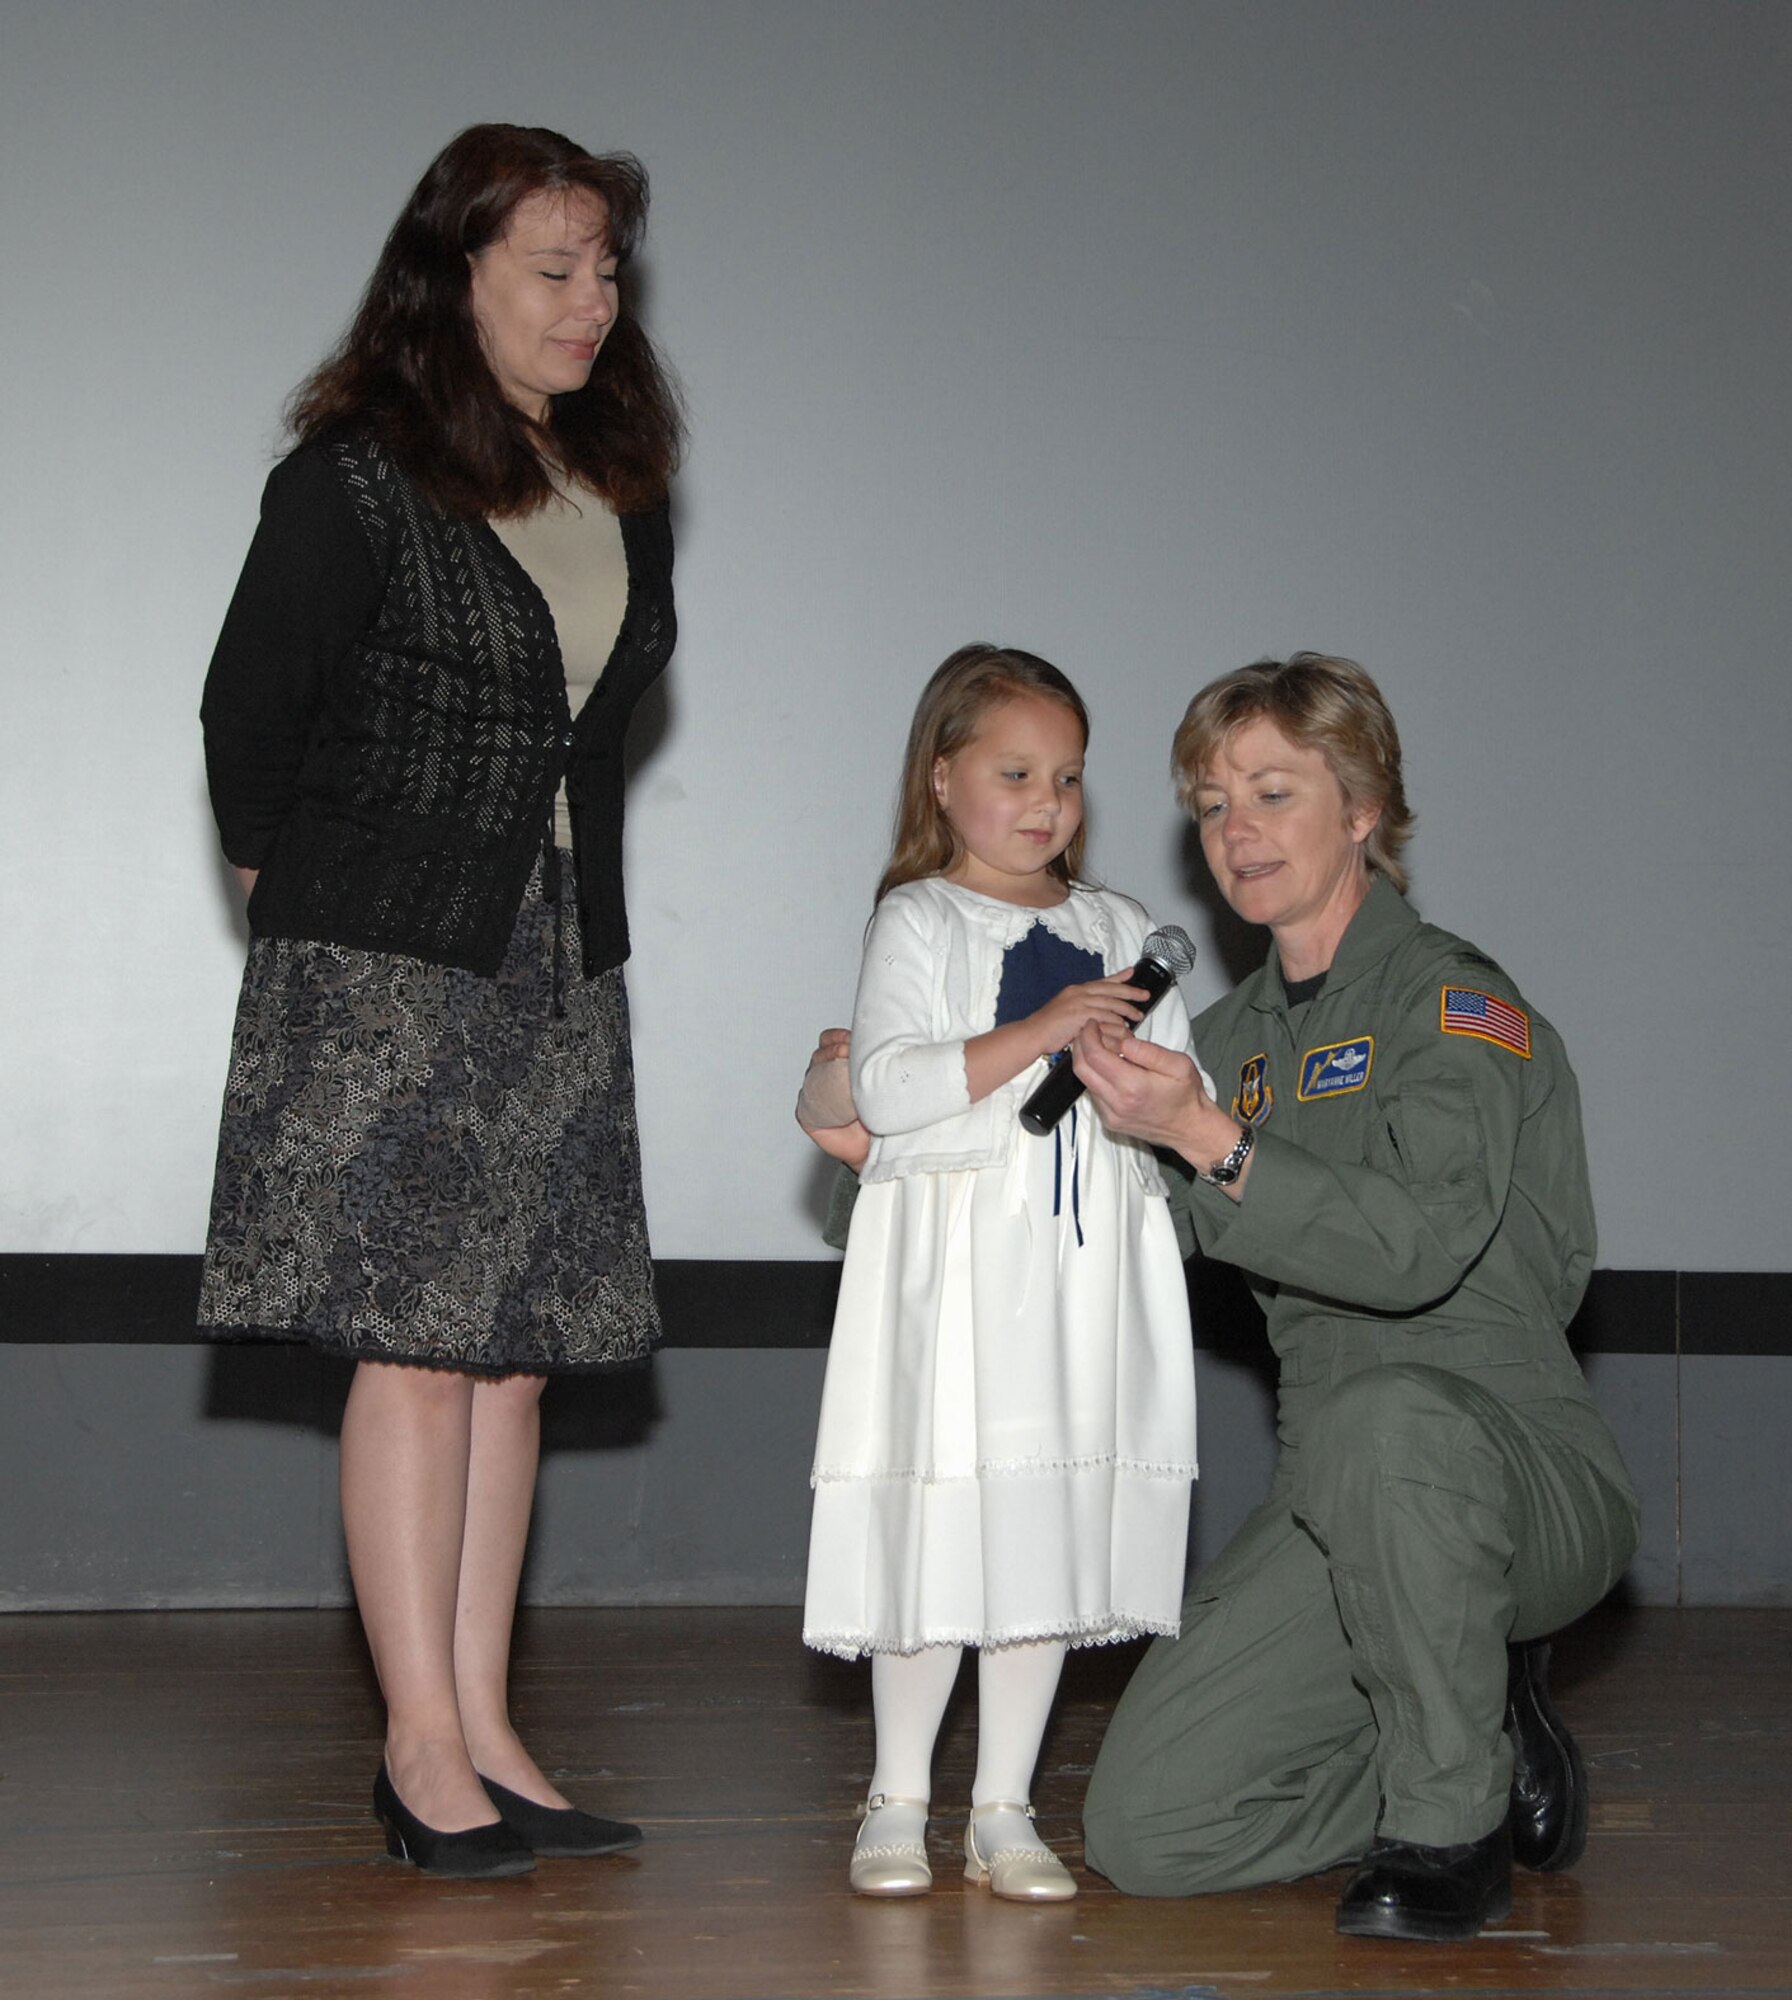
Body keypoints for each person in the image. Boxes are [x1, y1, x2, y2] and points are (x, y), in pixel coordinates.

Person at [198, 124, 683, 1878]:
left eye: (605, 269)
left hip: (557, 953)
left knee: (518, 1365)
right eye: (551, 269)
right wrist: (322, 910)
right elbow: (249, 716)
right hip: (390, 960)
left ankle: (485, 1725)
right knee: (415, 1350)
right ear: (451, 277)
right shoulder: (355, 474)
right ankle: (416, 1749)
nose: (589, 302)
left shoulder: (614, 477)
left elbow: (583, 725)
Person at [1068, 654, 1640, 1941]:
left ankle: (1449, 1825)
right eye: (1212, 804)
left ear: (1364, 806)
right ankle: (1474, 1727)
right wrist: (895, 1143)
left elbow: (1415, 1247)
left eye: (1274, 791)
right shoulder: (1222, 1045)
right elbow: (1107, 1233)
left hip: (1515, 1462)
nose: (1238, 831)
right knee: (1149, 1828)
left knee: (1391, 1418)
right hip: (1342, 1487)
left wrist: (1210, 1137)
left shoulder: (1457, 1003)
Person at [798, 645, 1205, 1903]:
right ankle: (897, 1794)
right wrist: (1038, 1030)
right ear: (941, 776)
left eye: (1070, 777)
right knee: (940, 1519)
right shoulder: (917, 917)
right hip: (954, 1269)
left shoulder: (1122, 928)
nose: (1047, 802)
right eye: (1016, 770)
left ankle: (1006, 1804)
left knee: (1040, 1526)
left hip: (1079, 1270)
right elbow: (889, 1085)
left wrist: (1135, 1076)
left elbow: (1170, 1087)